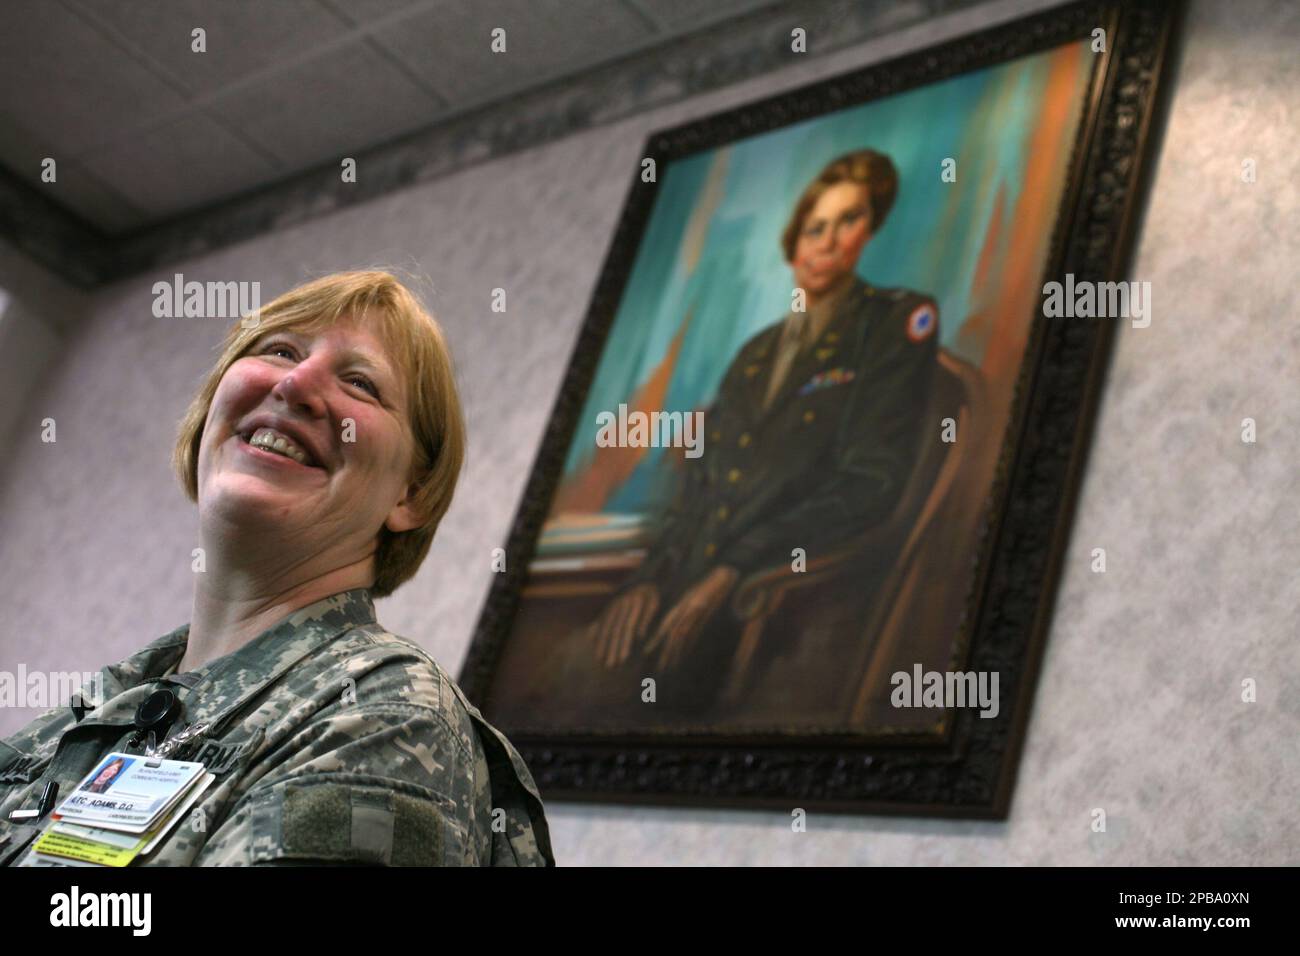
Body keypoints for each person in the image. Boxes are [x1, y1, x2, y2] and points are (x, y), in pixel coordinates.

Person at [0, 271, 553, 867]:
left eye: (360, 383)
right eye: (280, 350)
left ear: (410, 494)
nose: (295, 384)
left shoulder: (384, 715)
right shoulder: (98, 708)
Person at [583, 149, 941, 718]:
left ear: (869, 232)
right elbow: (701, 484)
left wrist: (735, 567)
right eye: (815, 227)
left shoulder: (893, 324)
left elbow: (869, 482)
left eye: (849, 221)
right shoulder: (755, 354)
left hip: (775, 592)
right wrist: (652, 577)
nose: (827, 242)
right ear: (794, 242)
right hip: (689, 581)